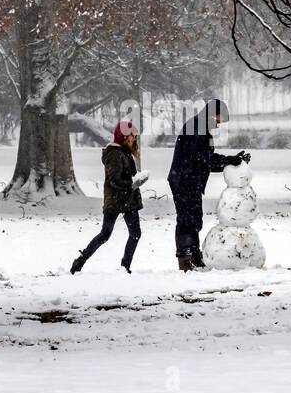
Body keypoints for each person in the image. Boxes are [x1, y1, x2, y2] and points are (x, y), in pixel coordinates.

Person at [167, 99, 248, 271]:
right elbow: (202, 159)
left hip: (190, 181)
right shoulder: (196, 128)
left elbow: (206, 159)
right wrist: (228, 160)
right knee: (186, 220)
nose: (219, 124)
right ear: (213, 114)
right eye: (219, 120)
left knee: (195, 219)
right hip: (183, 181)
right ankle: (185, 258)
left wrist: (230, 162)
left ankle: (195, 257)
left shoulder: (202, 129)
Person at [70, 121, 148, 274]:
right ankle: (80, 261)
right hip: (115, 201)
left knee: (135, 234)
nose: (133, 139)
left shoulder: (124, 152)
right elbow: (114, 179)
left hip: (128, 201)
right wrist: (132, 183)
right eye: (131, 135)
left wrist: (136, 181)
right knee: (105, 235)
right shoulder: (114, 153)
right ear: (124, 136)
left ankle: (125, 267)